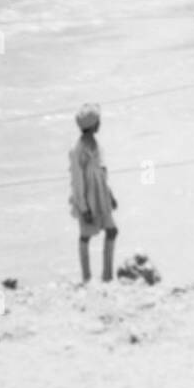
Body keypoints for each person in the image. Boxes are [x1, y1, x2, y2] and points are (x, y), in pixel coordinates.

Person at [69, 103, 118, 284]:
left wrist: (110, 194)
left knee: (112, 230)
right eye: (98, 120)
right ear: (92, 124)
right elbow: (77, 181)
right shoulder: (77, 150)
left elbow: (101, 172)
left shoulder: (96, 145)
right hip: (88, 198)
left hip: (101, 195)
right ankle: (87, 277)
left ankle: (107, 275)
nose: (100, 123)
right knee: (86, 235)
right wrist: (83, 207)